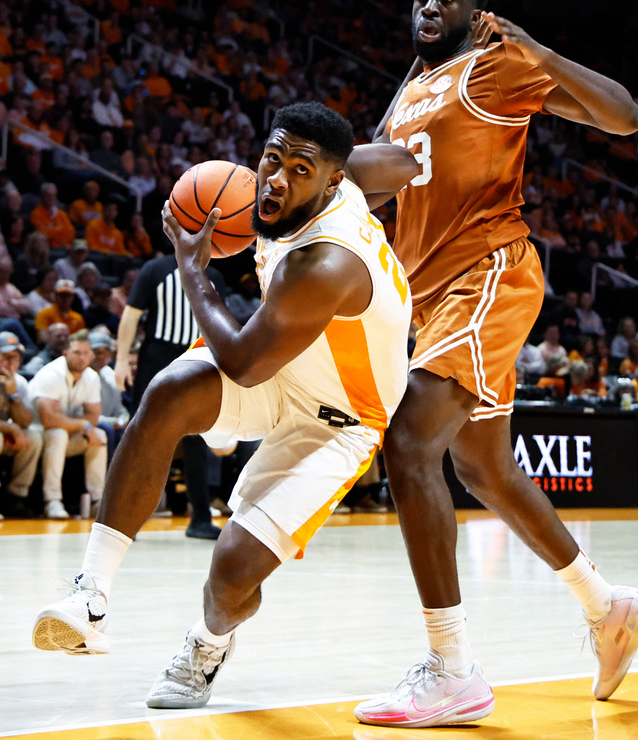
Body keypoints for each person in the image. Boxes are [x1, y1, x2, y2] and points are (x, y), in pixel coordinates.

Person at [354, 0, 638, 728]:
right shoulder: (411, 87)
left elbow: (624, 115)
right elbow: (378, 175)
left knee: (411, 444)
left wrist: (536, 49)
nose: (428, 3)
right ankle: (606, 604)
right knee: (481, 465)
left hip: (487, 273)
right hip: (428, 296)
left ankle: (450, 666)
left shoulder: (496, 68)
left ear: (476, 15)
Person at [31, 102, 417, 714]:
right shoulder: (336, 177)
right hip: (288, 365)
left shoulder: (325, 262)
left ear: (332, 181)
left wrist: (194, 269)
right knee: (167, 392)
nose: (279, 179)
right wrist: (412, 144)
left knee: (233, 571)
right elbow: (398, 159)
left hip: (342, 416)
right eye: (272, 159)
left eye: (300, 169)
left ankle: (208, 643)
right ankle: (90, 595)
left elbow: (241, 361)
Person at [113, 251, 230, 540]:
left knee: (196, 441)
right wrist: (121, 358)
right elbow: (131, 312)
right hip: (156, 358)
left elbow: (219, 323)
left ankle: (200, 517)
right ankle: (121, 520)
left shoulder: (214, 277)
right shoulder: (156, 269)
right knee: (139, 437)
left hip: (195, 358)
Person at [29, 330, 107, 520]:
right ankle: (52, 500)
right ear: (65, 353)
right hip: (37, 434)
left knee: (99, 436)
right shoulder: (51, 374)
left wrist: (69, 420)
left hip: (65, 433)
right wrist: (81, 422)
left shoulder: (92, 377)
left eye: (85, 353)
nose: (81, 358)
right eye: (76, 353)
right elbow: (48, 420)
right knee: (58, 433)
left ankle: (98, 501)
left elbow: (93, 417)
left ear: (91, 355)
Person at [0, 331, 43, 518]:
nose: (10, 363)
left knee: (34, 436)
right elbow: (15, 426)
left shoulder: (20, 382)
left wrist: (13, 396)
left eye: (15, 358)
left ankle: (16, 496)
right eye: (5, 357)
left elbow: (25, 421)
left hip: (8, 437)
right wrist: (10, 427)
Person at [88, 331, 129, 463]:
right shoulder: (82, 375)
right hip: (87, 424)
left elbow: (118, 407)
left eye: (105, 352)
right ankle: (109, 478)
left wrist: (124, 418)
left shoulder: (110, 374)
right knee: (108, 430)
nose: (101, 356)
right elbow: (84, 414)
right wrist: (116, 422)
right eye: (96, 351)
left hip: (112, 423)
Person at [34, 279, 86, 343]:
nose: (64, 298)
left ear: (73, 297)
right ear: (55, 296)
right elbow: (43, 339)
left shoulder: (78, 318)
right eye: (61, 295)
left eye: (68, 295)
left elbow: (81, 340)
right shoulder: (44, 313)